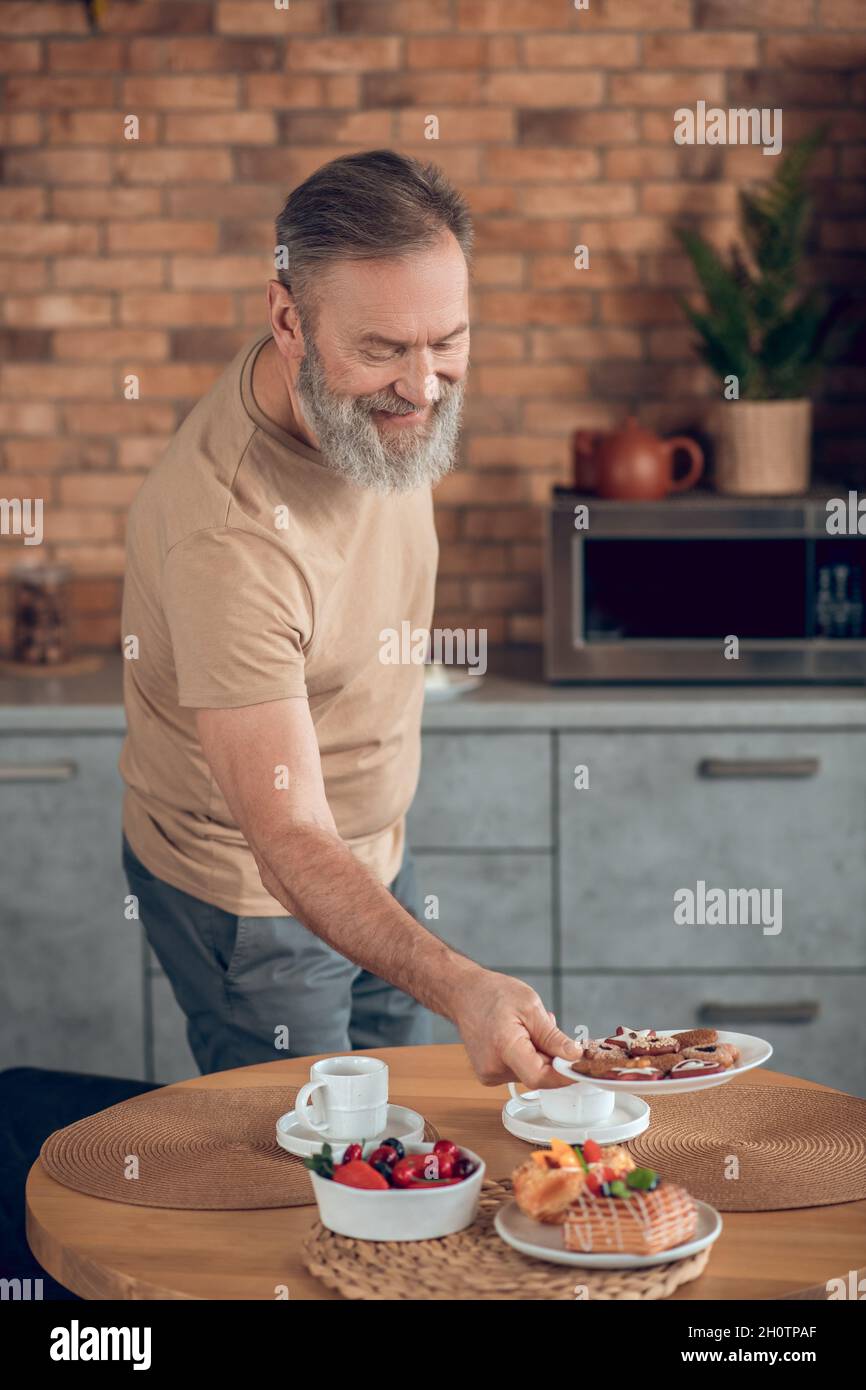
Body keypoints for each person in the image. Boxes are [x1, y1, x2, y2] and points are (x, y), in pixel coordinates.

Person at [120, 148, 578, 1089]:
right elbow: (286, 841)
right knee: (308, 1175)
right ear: (287, 320)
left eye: (446, 340)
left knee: (396, 1129)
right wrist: (462, 984)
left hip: (375, 860)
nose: (422, 386)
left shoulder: (371, 405)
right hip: (252, 896)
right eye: (382, 352)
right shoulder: (228, 537)